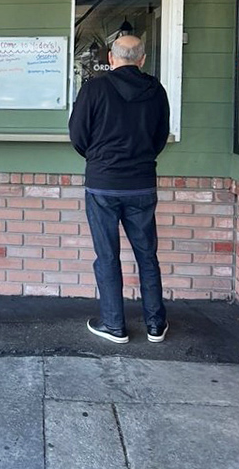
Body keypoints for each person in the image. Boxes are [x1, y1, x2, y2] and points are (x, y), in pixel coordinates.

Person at [69, 35, 170, 344]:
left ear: (111, 58)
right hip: (141, 184)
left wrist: (99, 160)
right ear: (142, 59)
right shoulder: (156, 91)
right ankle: (155, 325)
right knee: (147, 255)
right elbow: (159, 137)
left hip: (103, 185)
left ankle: (114, 325)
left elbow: (77, 135)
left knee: (107, 255)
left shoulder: (94, 88)